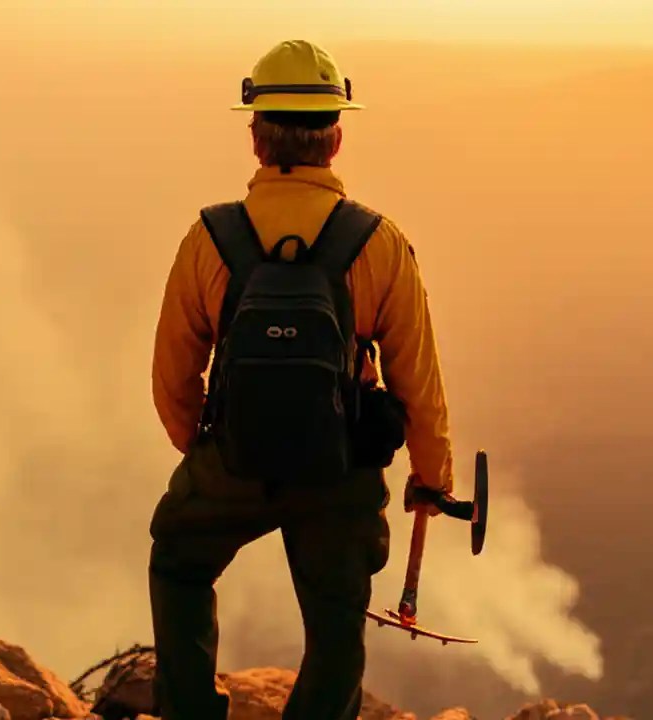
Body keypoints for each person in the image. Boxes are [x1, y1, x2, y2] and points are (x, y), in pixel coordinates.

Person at [148, 39, 454, 720]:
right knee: (337, 624)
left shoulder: (209, 238)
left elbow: (173, 371)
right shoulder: (377, 242)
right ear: (336, 139)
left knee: (179, 565)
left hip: (231, 457)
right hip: (339, 469)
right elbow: (417, 382)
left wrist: (206, 449)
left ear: (256, 137)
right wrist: (432, 480)